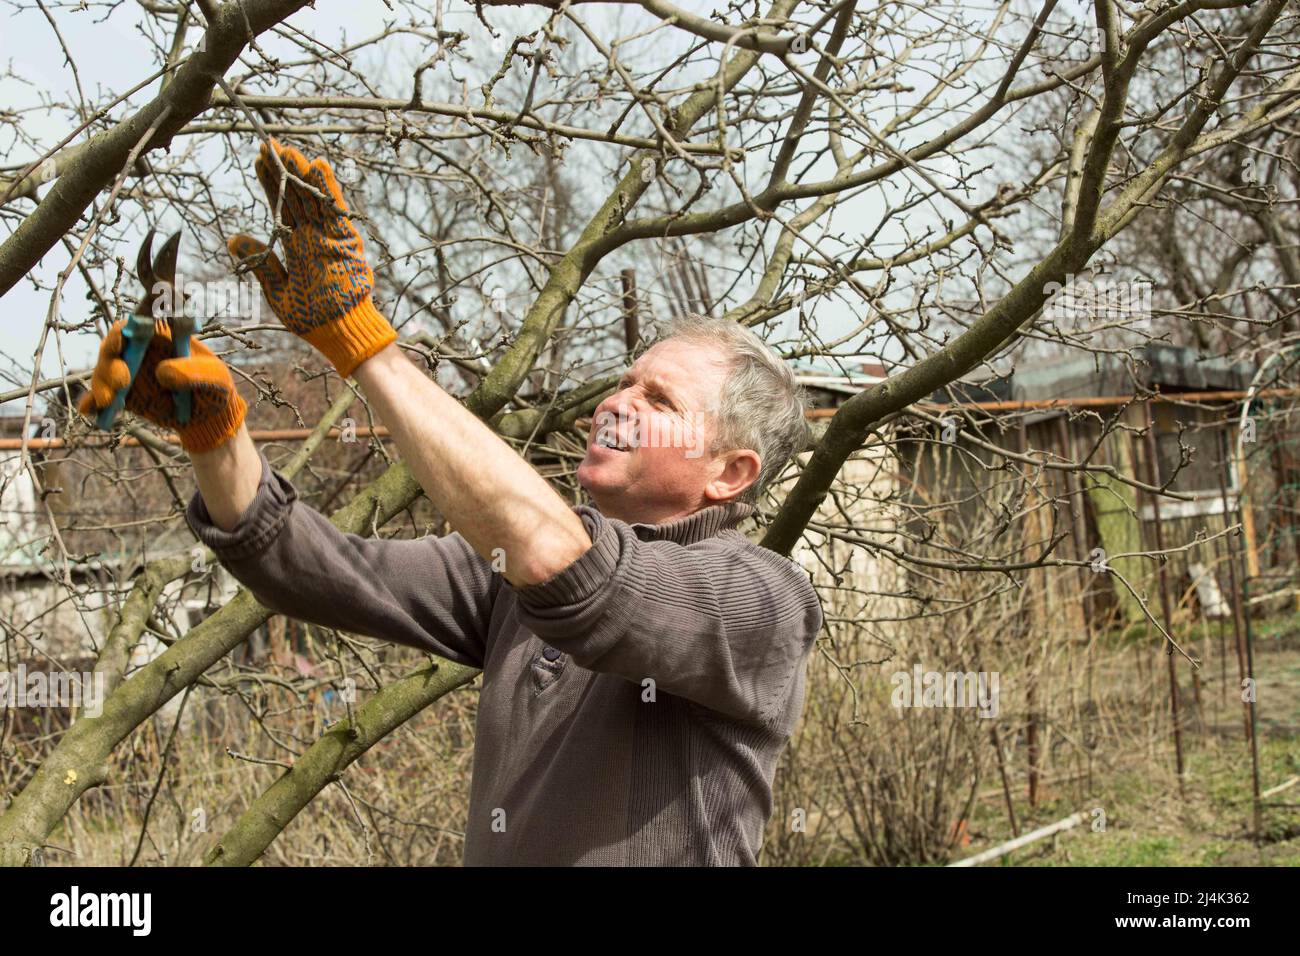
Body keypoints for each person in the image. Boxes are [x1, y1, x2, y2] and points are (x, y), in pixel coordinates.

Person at [77, 139, 824, 865]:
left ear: (730, 473)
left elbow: (573, 570)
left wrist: (362, 344)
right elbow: (307, 565)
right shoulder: (514, 582)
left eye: (656, 397)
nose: (616, 402)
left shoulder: (761, 602)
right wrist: (213, 435)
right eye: (624, 381)